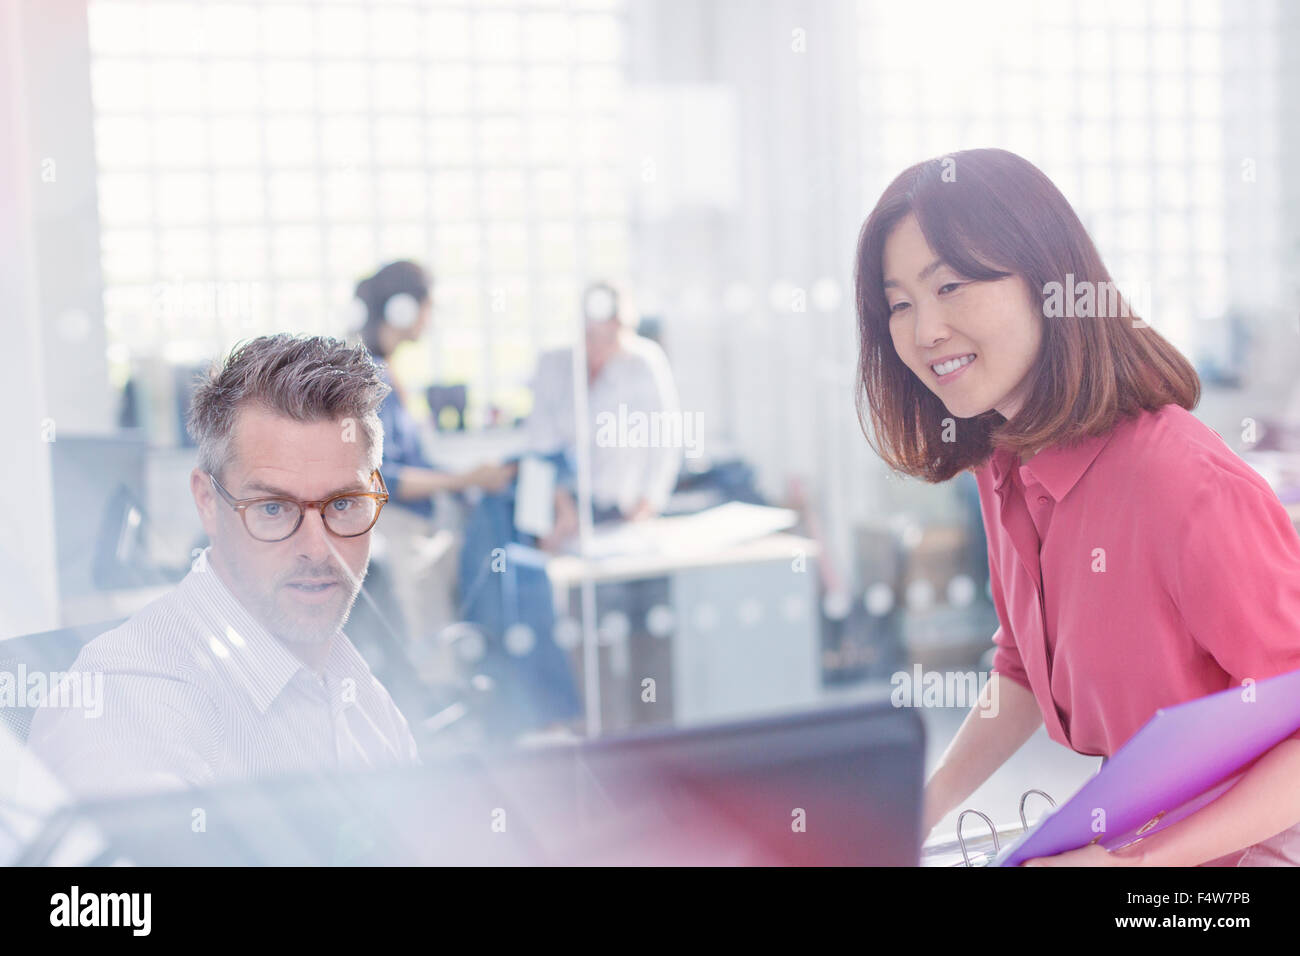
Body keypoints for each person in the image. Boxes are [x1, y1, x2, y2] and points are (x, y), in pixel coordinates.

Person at [855, 148, 1300, 866]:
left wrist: (1133, 867)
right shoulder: (1003, 464)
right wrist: (916, 813)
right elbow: (1024, 672)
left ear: (1046, 281)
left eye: (952, 287)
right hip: (1154, 832)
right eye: (900, 303)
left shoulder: (1180, 482)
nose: (924, 329)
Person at [28, 335, 421, 799]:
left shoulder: (357, 690)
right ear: (207, 502)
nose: (319, 550)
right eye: (273, 509)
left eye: (344, 504)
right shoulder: (130, 708)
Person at [456, 282, 683, 736]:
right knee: (566, 615)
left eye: (611, 330)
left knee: (627, 622)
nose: (601, 341)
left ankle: (635, 727)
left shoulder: (644, 363)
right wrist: (557, 509)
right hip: (569, 511)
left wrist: (650, 501)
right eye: (593, 330)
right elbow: (541, 443)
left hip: (623, 513)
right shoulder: (556, 364)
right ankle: (572, 718)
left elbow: (667, 439)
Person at [352, 261, 513, 668]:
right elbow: (382, 477)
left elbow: (414, 458)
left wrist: (467, 478)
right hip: (399, 535)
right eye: (428, 307)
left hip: (414, 531)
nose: (431, 318)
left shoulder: (385, 370)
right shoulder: (367, 374)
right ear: (403, 309)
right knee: (432, 659)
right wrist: (463, 478)